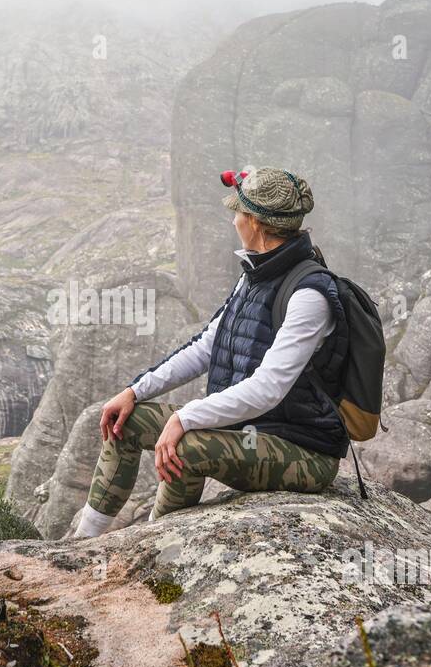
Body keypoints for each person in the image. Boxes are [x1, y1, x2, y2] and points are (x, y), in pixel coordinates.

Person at [73, 166, 350, 539]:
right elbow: (206, 347)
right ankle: (83, 543)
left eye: (238, 212)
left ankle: (151, 546)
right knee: (126, 422)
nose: (233, 219)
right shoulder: (255, 274)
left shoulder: (309, 295)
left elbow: (269, 388)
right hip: (254, 430)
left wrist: (185, 418)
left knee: (184, 446)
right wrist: (135, 391)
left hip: (303, 452)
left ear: (254, 222)